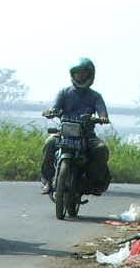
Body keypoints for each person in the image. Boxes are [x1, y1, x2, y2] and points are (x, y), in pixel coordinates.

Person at [40, 57, 111, 194]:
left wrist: (102, 117)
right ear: (72, 74)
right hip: (64, 133)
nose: (80, 76)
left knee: (101, 149)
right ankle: (47, 179)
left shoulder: (95, 96)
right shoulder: (64, 92)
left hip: (86, 135)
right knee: (49, 143)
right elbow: (55, 108)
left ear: (90, 75)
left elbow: (102, 111)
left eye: (84, 73)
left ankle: (94, 182)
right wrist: (51, 112)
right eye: (77, 73)